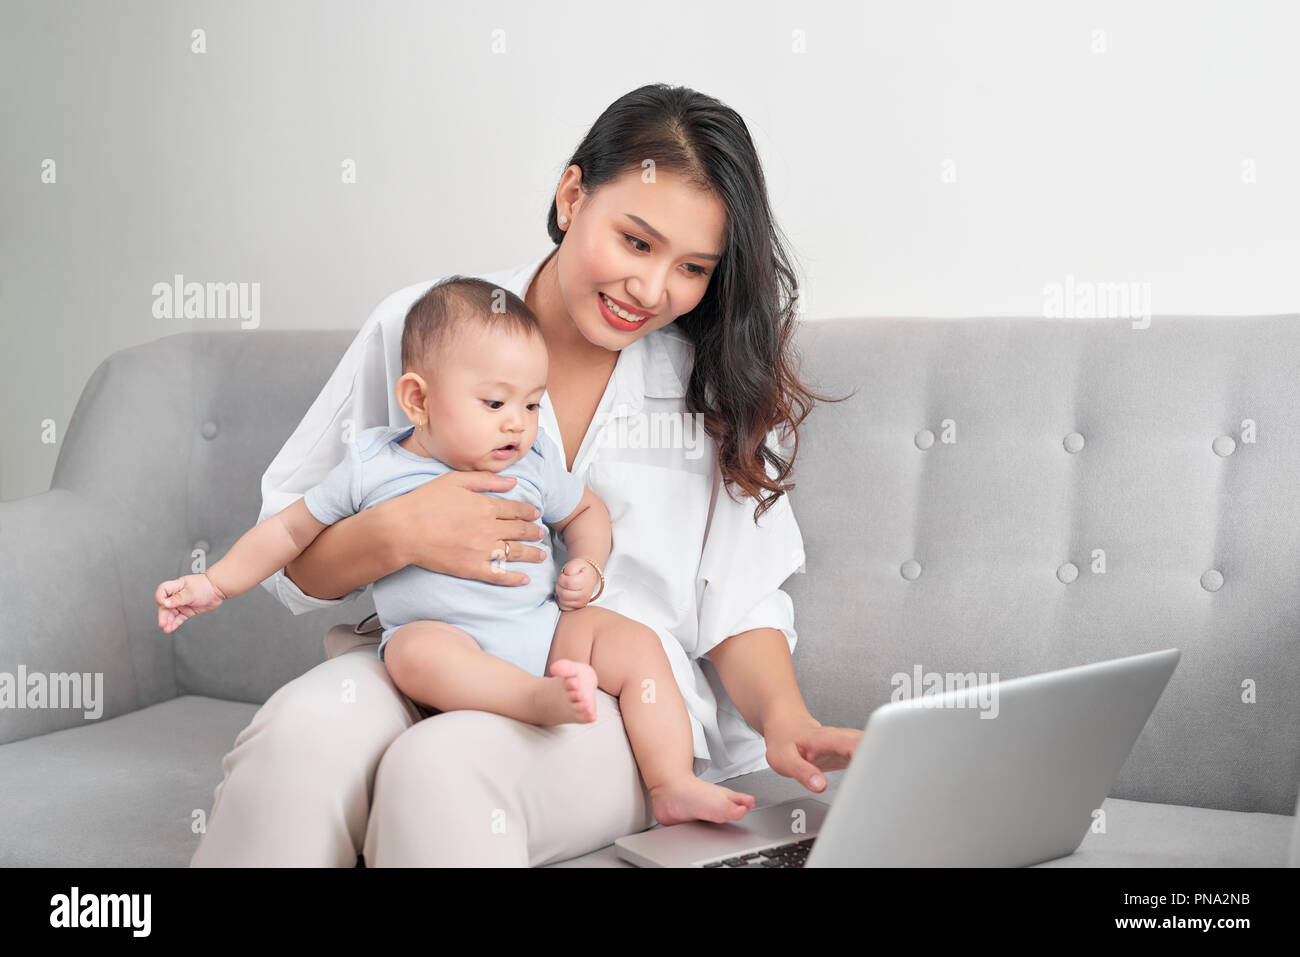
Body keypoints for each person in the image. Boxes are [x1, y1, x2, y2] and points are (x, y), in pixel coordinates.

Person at [191, 82, 861, 867]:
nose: (651, 291)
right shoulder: (421, 328)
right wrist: (394, 531)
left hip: (608, 701)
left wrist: (785, 719)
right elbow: (295, 559)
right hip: (423, 652)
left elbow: (740, 602)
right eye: (636, 242)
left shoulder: (714, 386)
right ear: (572, 194)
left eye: (692, 268)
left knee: (442, 770)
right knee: (294, 745)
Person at [156, 276, 757, 825]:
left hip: (544, 630)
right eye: (495, 404)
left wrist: (588, 565)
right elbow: (289, 533)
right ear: (418, 400)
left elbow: (585, 511)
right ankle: (531, 700)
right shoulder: (374, 464)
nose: (517, 425)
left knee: (637, 645)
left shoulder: (534, 459)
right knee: (412, 654)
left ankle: (671, 780)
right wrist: (213, 584)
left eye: (531, 403)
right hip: (446, 637)